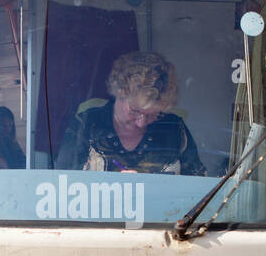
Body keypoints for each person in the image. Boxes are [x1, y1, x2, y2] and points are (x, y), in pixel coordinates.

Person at [56, 51, 205, 175]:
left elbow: (199, 189)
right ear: (118, 93)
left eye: (152, 115)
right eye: (134, 111)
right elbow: (63, 188)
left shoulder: (174, 129)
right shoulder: (86, 125)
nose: (141, 122)